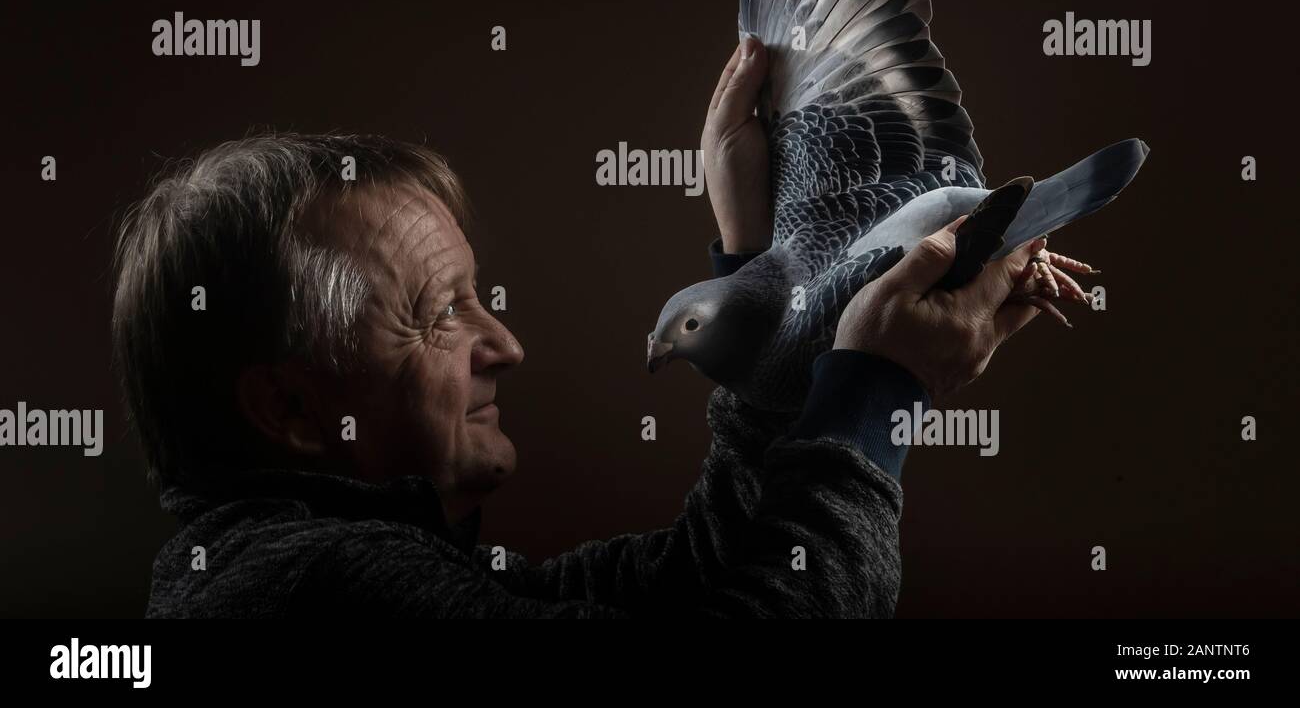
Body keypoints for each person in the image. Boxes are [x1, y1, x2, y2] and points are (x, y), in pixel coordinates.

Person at [114, 40, 1049, 618]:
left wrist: (758, 282)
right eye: (439, 312)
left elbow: (693, 585)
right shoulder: (311, 593)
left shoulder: (350, 566)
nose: (506, 347)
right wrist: (876, 399)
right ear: (289, 406)